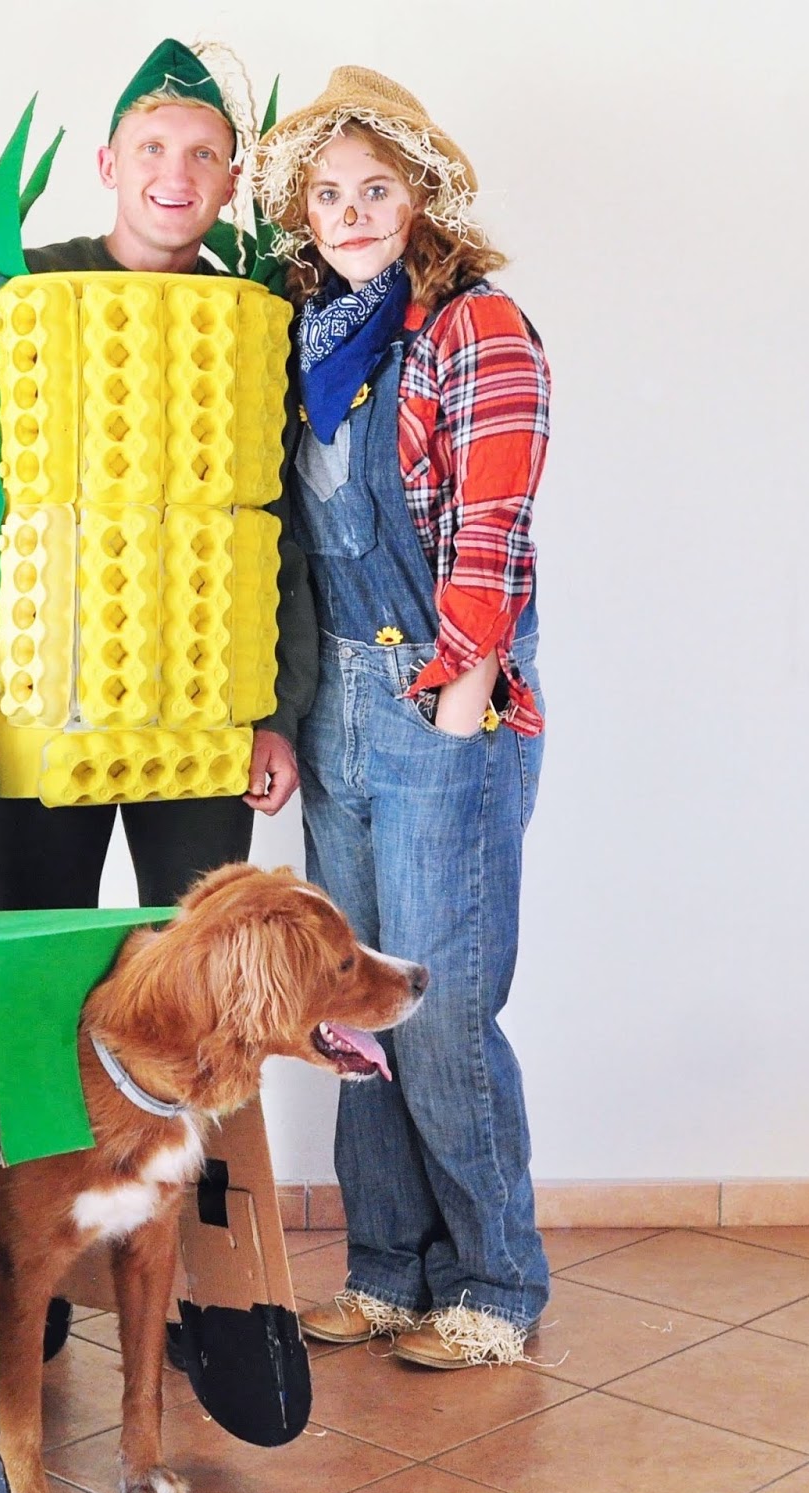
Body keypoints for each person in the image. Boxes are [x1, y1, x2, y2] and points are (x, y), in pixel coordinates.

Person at [254, 67, 551, 1367]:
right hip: (338, 706)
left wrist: (463, 697)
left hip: (442, 696)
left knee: (439, 1007)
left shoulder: (476, 328)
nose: (353, 209)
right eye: (329, 192)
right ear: (304, 215)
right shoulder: (305, 343)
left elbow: (491, 526)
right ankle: (386, 1271)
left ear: (421, 196)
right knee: (355, 996)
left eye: (376, 187)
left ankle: (494, 1287)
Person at [0, 39, 316, 913]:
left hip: (203, 704)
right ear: (107, 164)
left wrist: (280, 709)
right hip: (35, 696)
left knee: (202, 978)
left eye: (204, 155)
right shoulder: (20, 301)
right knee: (44, 967)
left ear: (232, 182)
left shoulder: (255, 322)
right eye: (152, 149)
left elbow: (281, 526)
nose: (177, 174)